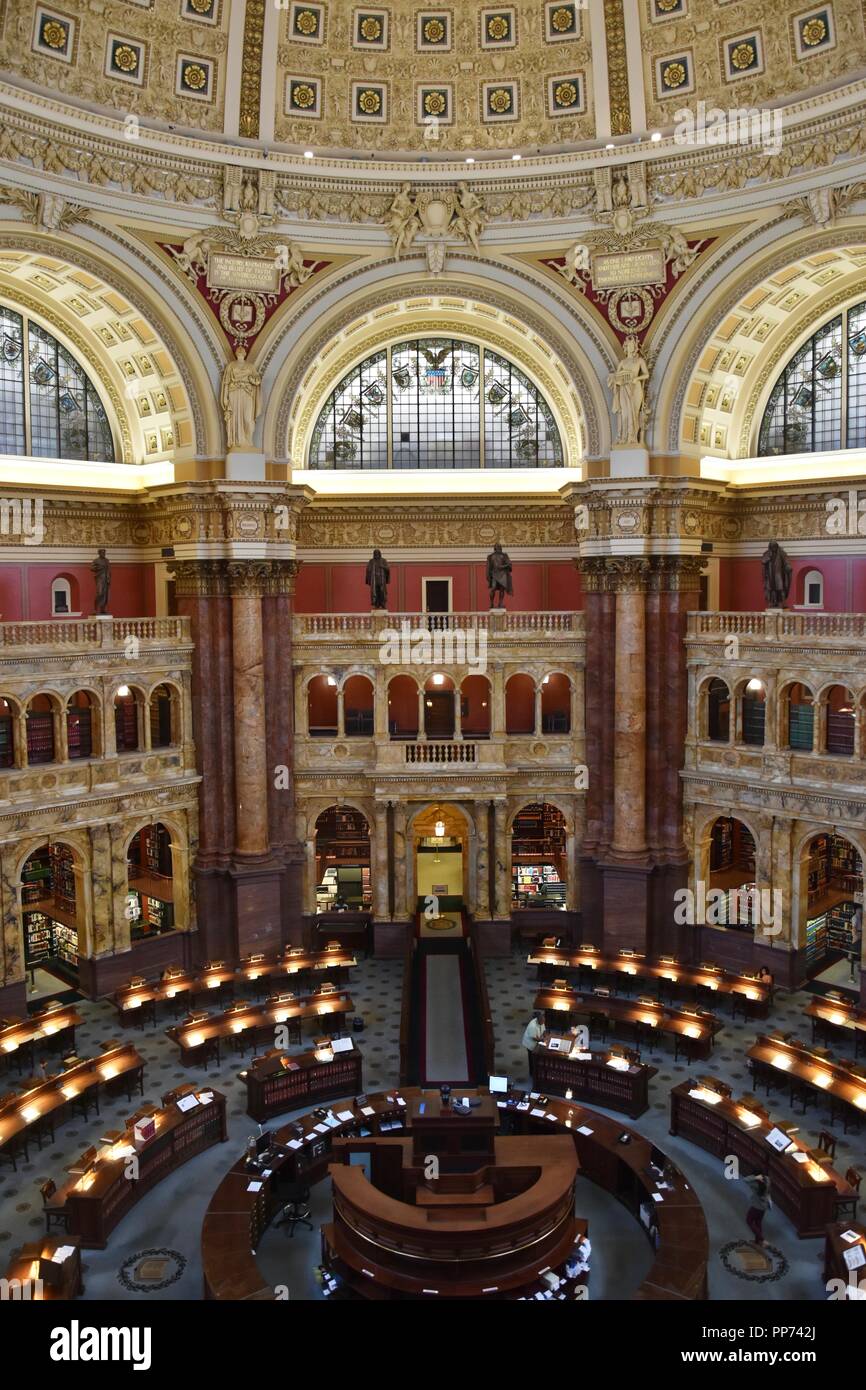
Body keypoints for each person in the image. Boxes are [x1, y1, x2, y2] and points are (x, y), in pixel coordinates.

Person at [743, 1172, 771, 1246]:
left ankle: (762, 1240)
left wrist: (755, 1178)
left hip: (756, 1206)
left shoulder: (755, 1185)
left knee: (749, 1221)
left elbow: (745, 1179)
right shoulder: (767, 1180)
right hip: (763, 1206)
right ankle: (758, 1241)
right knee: (758, 1223)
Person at [522, 1011, 545, 1081]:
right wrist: (542, 1040)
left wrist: (543, 1036)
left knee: (536, 1058)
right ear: (538, 1020)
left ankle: (536, 1071)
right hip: (530, 1044)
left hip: (536, 1042)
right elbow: (534, 1038)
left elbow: (543, 1030)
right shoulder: (532, 1026)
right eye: (542, 1022)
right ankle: (532, 1073)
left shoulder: (541, 1021)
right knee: (531, 1059)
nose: (543, 1023)